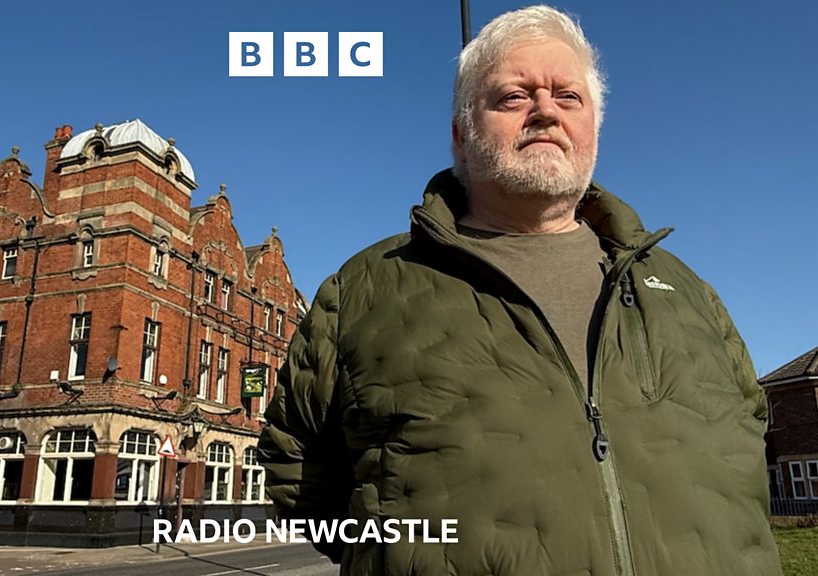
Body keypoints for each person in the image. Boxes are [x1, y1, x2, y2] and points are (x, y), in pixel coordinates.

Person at [258, 5, 782, 576]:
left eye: (568, 97)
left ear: (593, 130)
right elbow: (300, 472)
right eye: (513, 97)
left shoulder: (686, 291)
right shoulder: (364, 289)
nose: (545, 113)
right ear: (461, 136)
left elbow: (751, 440)